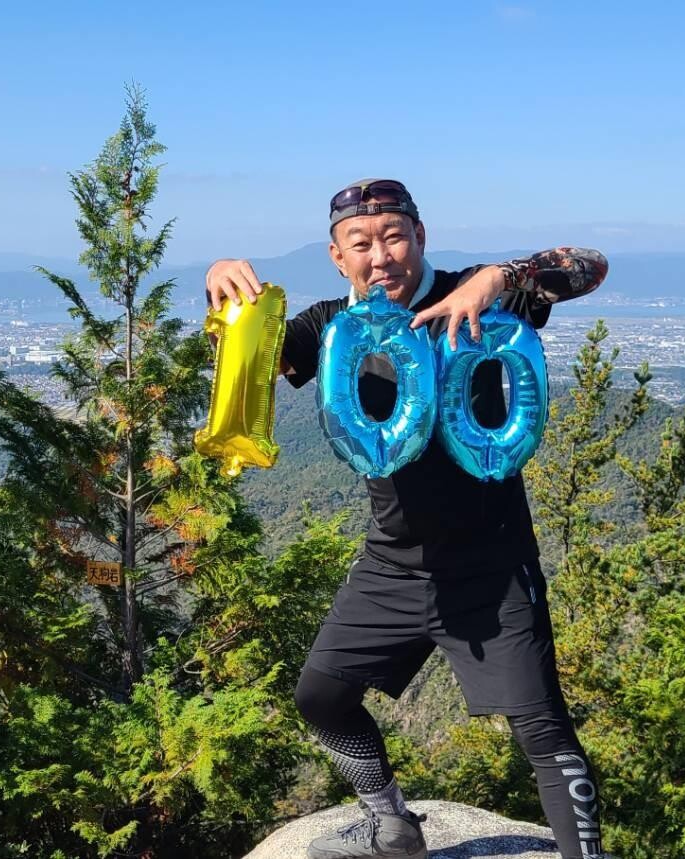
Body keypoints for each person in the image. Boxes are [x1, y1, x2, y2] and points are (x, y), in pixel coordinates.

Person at [204, 179, 609, 859]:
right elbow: (249, 368)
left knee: (540, 728)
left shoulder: (474, 292)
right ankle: (391, 822)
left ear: (419, 238)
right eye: (360, 243)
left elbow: (589, 267)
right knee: (320, 697)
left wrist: (498, 279)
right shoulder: (330, 323)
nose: (380, 254)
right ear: (338, 257)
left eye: (394, 236)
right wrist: (221, 290)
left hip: (493, 565)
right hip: (391, 562)